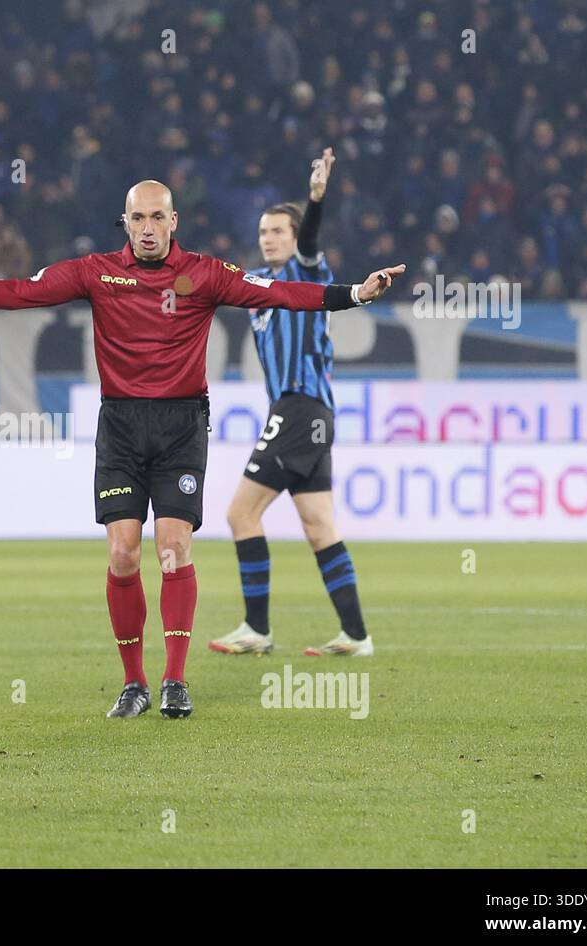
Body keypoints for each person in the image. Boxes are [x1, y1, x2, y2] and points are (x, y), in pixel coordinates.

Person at [0, 179, 403, 719]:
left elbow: (278, 292)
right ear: (126, 221)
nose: (149, 228)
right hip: (120, 425)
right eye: (139, 219)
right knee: (122, 553)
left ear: (174, 221)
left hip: (182, 425)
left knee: (173, 549)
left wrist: (355, 294)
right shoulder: (96, 271)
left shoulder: (206, 273)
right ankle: (133, 682)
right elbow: (21, 292)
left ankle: (175, 680)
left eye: (158, 218)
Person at [208, 148, 377, 658]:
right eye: (263, 232)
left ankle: (256, 629)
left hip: (300, 409)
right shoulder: (256, 283)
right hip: (310, 414)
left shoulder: (306, 276)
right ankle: (356, 635)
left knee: (240, 514)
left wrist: (315, 200)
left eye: (278, 231)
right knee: (319, 524)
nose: (269, 238)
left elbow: (310, 244)